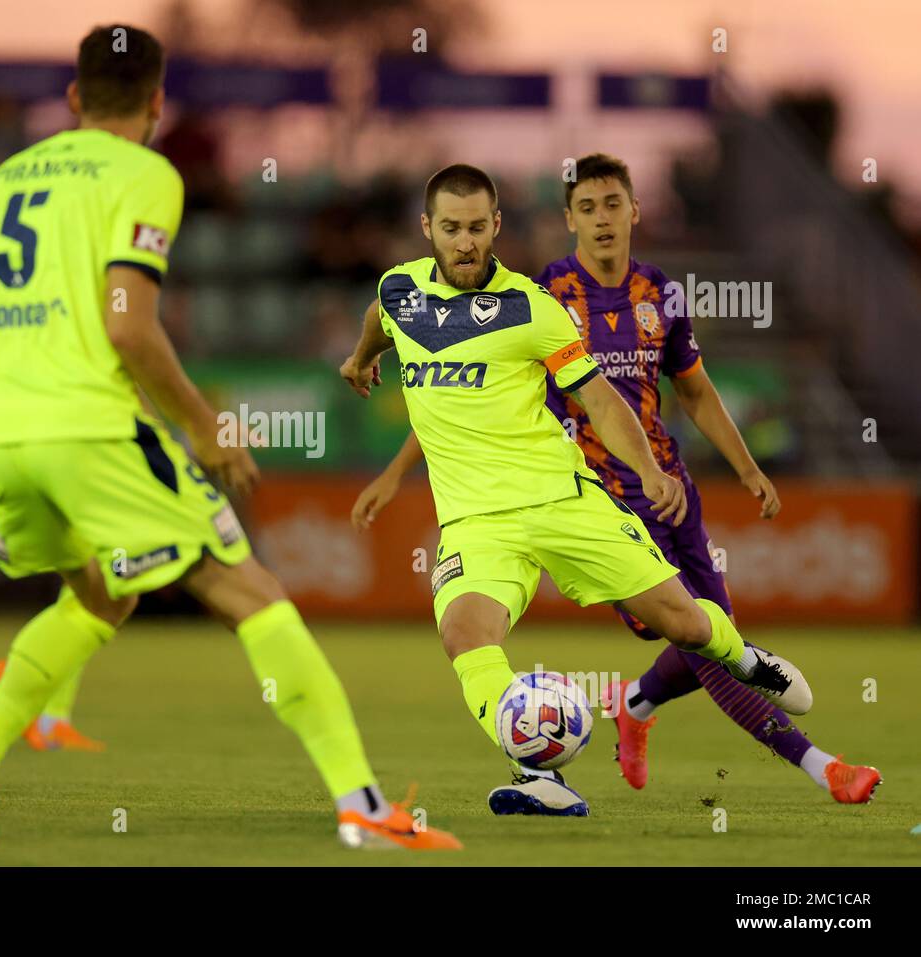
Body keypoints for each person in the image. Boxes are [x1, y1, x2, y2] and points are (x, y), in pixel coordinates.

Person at [0, 24, 459, 851]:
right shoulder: (146, 174)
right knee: (257, 597)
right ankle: (365, 808)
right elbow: (128, 327)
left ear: (72, 99)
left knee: (99, 595)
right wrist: (206, 429)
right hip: (88, 427)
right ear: (157, 102)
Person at [338, 162, 812, 817]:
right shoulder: (400, 292)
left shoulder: (534, 310)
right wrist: (364, 358)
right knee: (464, 635)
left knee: (679, 619)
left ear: (497, 225)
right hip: (477, 525)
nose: (466, 241)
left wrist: (648, 468)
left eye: (478, 226)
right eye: (451, 228)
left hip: (561, 500)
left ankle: (744, 656)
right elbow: (377, 316)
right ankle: (541, 777)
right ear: (427, 229)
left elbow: (600, 398)